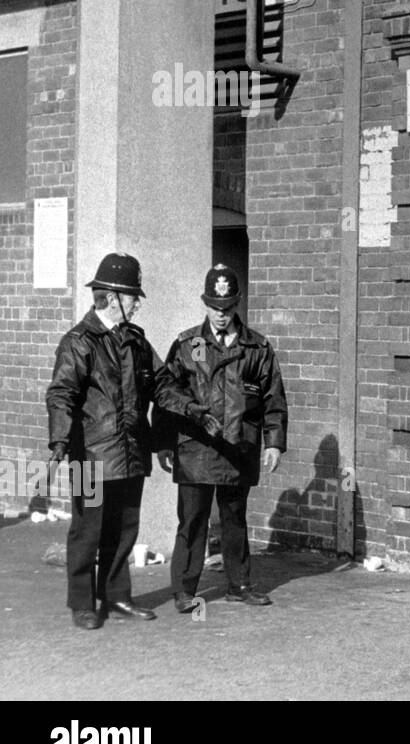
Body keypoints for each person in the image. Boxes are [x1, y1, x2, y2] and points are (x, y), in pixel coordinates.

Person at [154, 264, 287, 611]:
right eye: (215, 308)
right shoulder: (190, 345)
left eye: (227, 308)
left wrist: (273, 442)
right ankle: (184, 591)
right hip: (196, 447)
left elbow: (273, 399)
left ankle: (239, 584)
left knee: (234, 519)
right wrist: (165, 442)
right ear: (206, 305)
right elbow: (168, 394)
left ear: (237, 304)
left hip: (238, 447)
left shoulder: (256, 348)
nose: (222, 315)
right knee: (193, 520)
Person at [46, 252, 162, 629]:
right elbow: (61, 393)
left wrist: (193, 408)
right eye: (132, 296)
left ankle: (116, 597)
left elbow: (162, 384)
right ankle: (83, 603)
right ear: (111, 298)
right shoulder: (79, 342)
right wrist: (60, 441)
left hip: (129, 454)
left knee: (124, 528)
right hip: (87, 458)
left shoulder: (135, 341)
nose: (137, 303)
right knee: (87, 530)